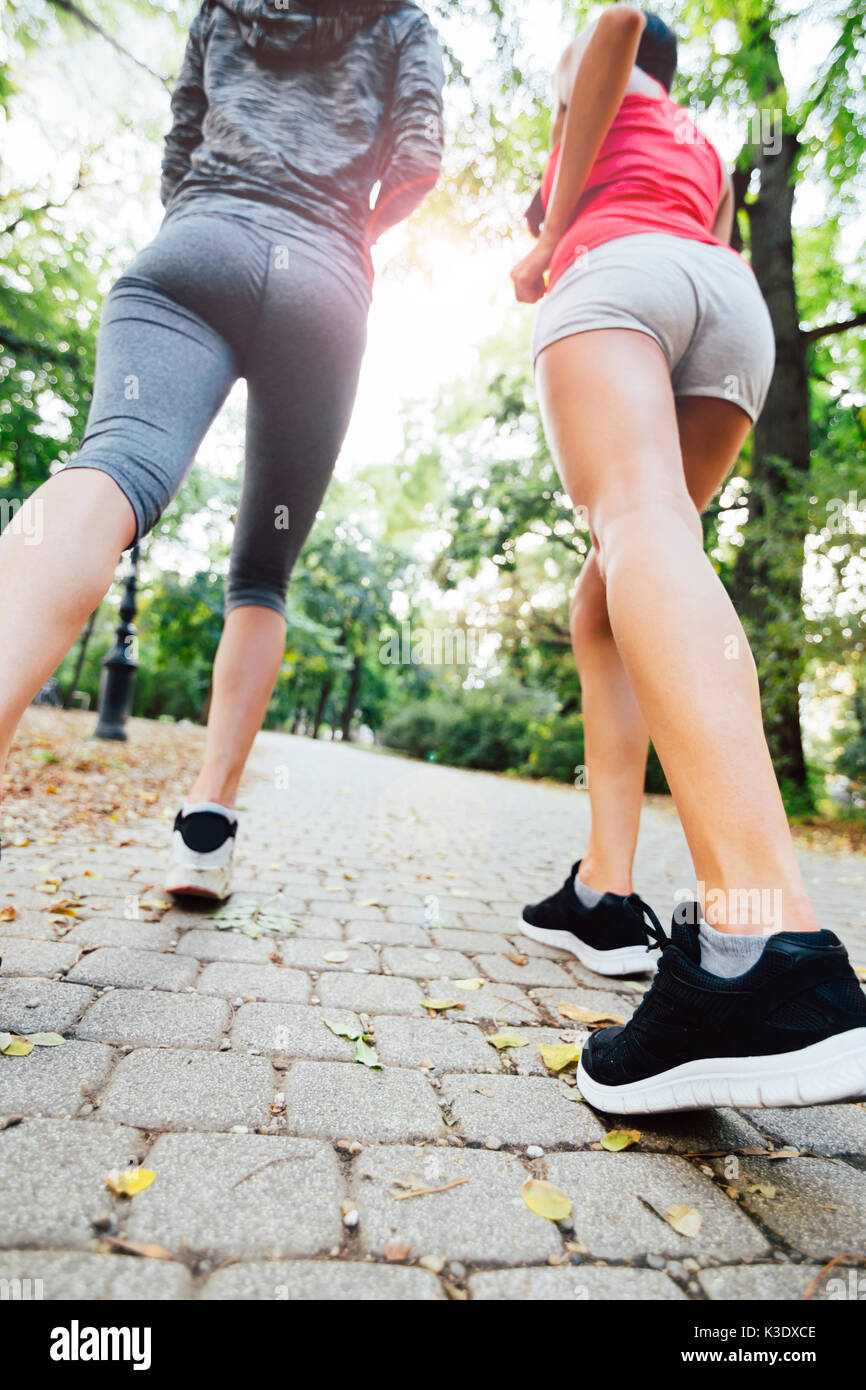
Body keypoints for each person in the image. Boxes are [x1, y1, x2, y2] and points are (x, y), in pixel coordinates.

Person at [0, 0, 444, 899]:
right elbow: (420, 158)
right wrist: (348, 238)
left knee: (115, 461)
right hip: (325, 284)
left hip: (196, 249)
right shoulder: (404, 22)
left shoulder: (224, 5)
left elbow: (181, 138)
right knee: (262, 575)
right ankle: (206, 828)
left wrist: (205, 217)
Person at [511, 5, 866, 1112]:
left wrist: (546, 235)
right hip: (727, 308)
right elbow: (708, 226)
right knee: (612, 590)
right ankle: (604, 894)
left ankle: (759, 938)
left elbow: (617, 16)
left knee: (638, 525)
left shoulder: (596, 74)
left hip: (618, 280)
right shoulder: (699, 139)